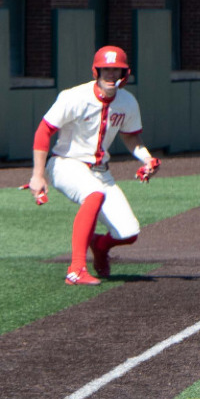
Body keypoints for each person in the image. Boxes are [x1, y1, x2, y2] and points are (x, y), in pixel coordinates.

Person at [27, 45, 162, 285]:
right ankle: (76, 269)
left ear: (125, 74)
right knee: (93, 194)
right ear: (96, 71)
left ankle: (99, 245)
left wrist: (147, 159)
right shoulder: (74, 97)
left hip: (101, 172)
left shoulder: (127, 102)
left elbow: (131, 137)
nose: (111, 75)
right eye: (106, 70)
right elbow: (43, 131)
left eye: (116, 71)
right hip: (65, 163)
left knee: (129, 232)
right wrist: (38, 175)